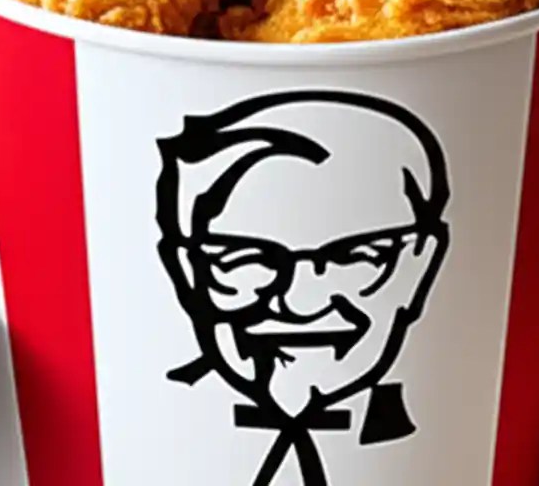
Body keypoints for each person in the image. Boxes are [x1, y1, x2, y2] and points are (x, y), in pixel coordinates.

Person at [156, 90, 452, 485]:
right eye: (244, 261)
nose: (301, 303)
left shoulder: (467, 407)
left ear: (421, 262)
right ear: (185, 272)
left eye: (355, 257)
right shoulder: (136, 412)